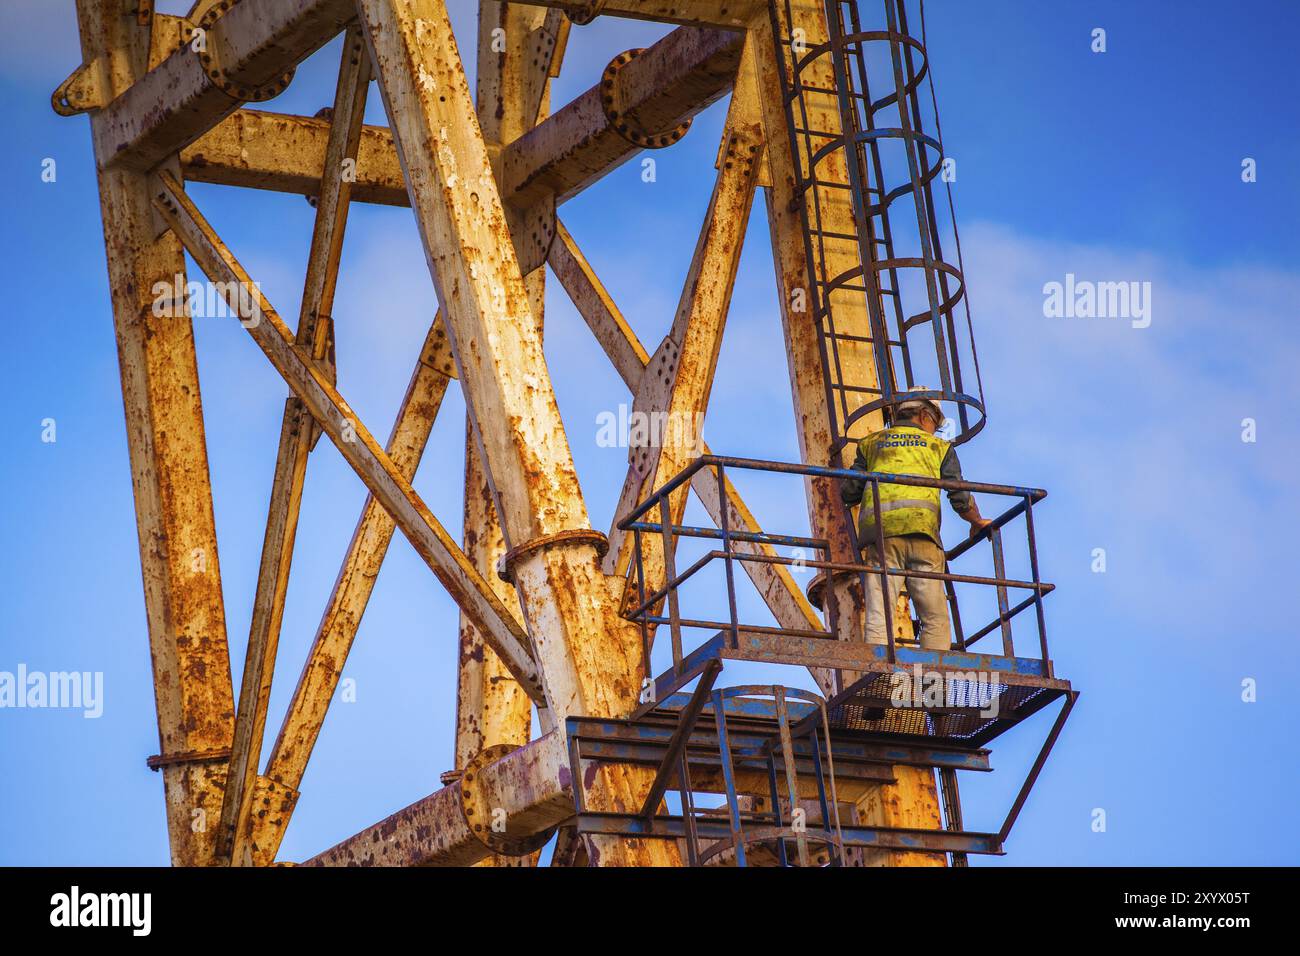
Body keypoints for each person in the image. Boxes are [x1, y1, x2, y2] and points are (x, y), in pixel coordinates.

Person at [839, 387, 992, 650]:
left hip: (882, 538)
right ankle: (933, 683)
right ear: (924, 415)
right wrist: (976, 521)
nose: (935, 430)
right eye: (935, 423)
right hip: (924, 538)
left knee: (879, 614)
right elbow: (958, 493)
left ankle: (879, 673)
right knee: (934, 617)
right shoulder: (938, 448)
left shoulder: (871, 444)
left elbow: (849, 492)